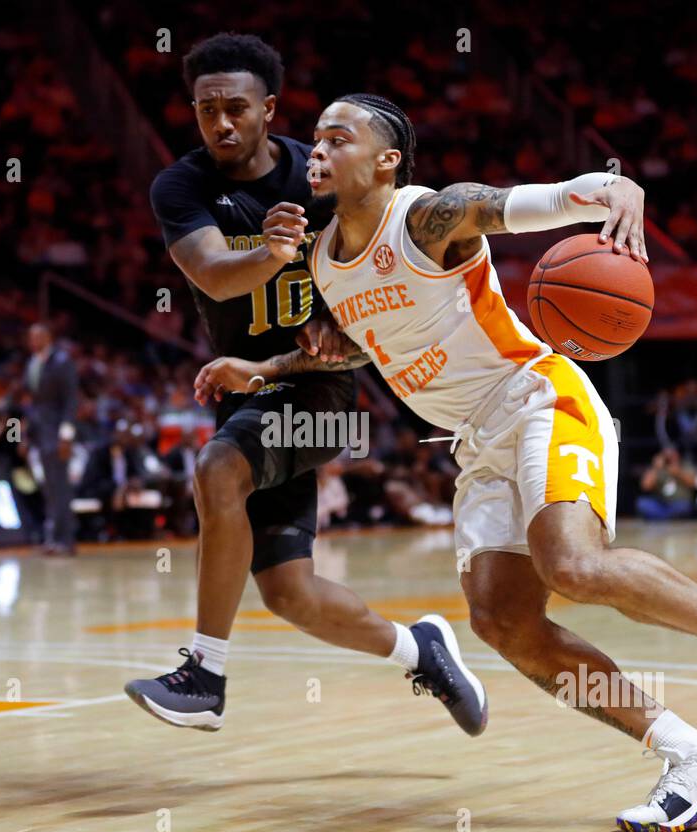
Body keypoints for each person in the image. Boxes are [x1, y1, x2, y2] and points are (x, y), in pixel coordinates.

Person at [223, 92, 697, 832]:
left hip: (537, 398)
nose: (319, 151)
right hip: (474, 441)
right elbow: (380, 341)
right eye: (316, 141)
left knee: (576, 566)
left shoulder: (430, 215)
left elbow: (532, 204)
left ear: (387, 161)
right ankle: (693, 756)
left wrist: (612, 189)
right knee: (503, 622)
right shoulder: (325, 263)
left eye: (339, 138)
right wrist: (269, 368)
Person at [128, 34, 485, 736]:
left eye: (236, 107)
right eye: (207, 110)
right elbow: (209, 271)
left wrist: (335, 319)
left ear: (270, 108)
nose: (222, 123)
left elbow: (385, 262)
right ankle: (424, 650)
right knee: (291, 593)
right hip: (246, 392)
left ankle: (203, 675)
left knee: (217, 469)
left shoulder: (321, 173)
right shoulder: (182, 185)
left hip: (322, 388)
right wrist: (272, 252)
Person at [25, 322, 79, 555]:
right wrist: (25, 436)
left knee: (61, 487)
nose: (35, 341)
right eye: (31, 337)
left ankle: (66, 540)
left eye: (39, 336)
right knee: (48, 489)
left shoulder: (62, 361)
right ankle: (52, 538)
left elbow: (70, 401)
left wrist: (66, 435)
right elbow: (33, 404)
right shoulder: (33, 363)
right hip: (40, 434)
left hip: (57, 434)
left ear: (49, 337)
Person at [637, 448, 697, 521]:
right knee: (642, 503)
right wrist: (655, 468)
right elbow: (645, 486)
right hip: (661, 505)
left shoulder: (685, 465)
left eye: (672, 454)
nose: (670, 457)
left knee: (685, 507)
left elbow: (694, 484)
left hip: (679, 504)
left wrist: (678, 473)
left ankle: (661, 519)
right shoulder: (658, 469)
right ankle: (665, 519)